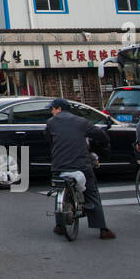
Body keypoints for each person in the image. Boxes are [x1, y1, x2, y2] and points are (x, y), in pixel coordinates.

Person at [45, 98, 115, 240]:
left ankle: (59, 225)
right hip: (81, 165)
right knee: (91, 192)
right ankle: (103, 229)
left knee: (60, 188)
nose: (51, 112)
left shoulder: (51, 123)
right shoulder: (81, 121)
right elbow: (102, 136)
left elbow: (48, 138)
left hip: (59, 165)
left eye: (52, 109)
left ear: (58, 109)